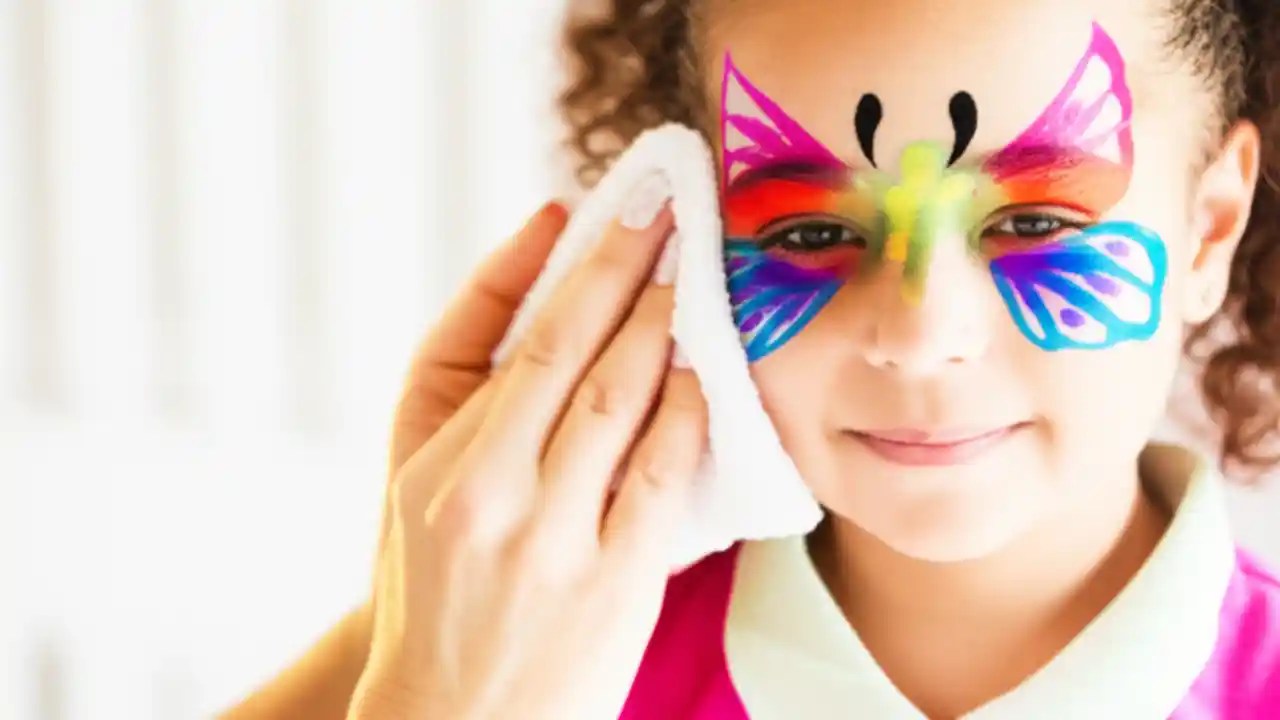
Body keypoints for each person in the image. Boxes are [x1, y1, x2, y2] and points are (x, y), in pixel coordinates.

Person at [221, 0, 1280, 717]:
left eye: (1034, 223)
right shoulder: (536, 658)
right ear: (690, 223)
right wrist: (415, 664)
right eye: (811, 232)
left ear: (1207, 228)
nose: (915, 337)